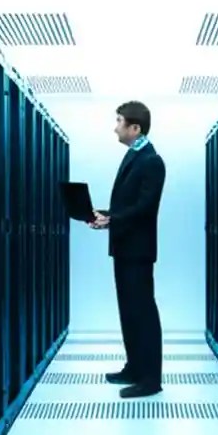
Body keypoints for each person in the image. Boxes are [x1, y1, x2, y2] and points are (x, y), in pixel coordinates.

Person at [88, 101, 166, 398]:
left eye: (119, 121)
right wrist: (106, 216)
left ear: (135, 127)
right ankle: (134, 368)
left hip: (138, 251)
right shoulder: (135, 156)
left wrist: (114, 218)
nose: (115, 126)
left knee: (143, 312)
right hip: (125, 248)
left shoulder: (151, 161)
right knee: (128, 312)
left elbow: (145, 208)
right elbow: (128, 206)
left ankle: (151, 380)